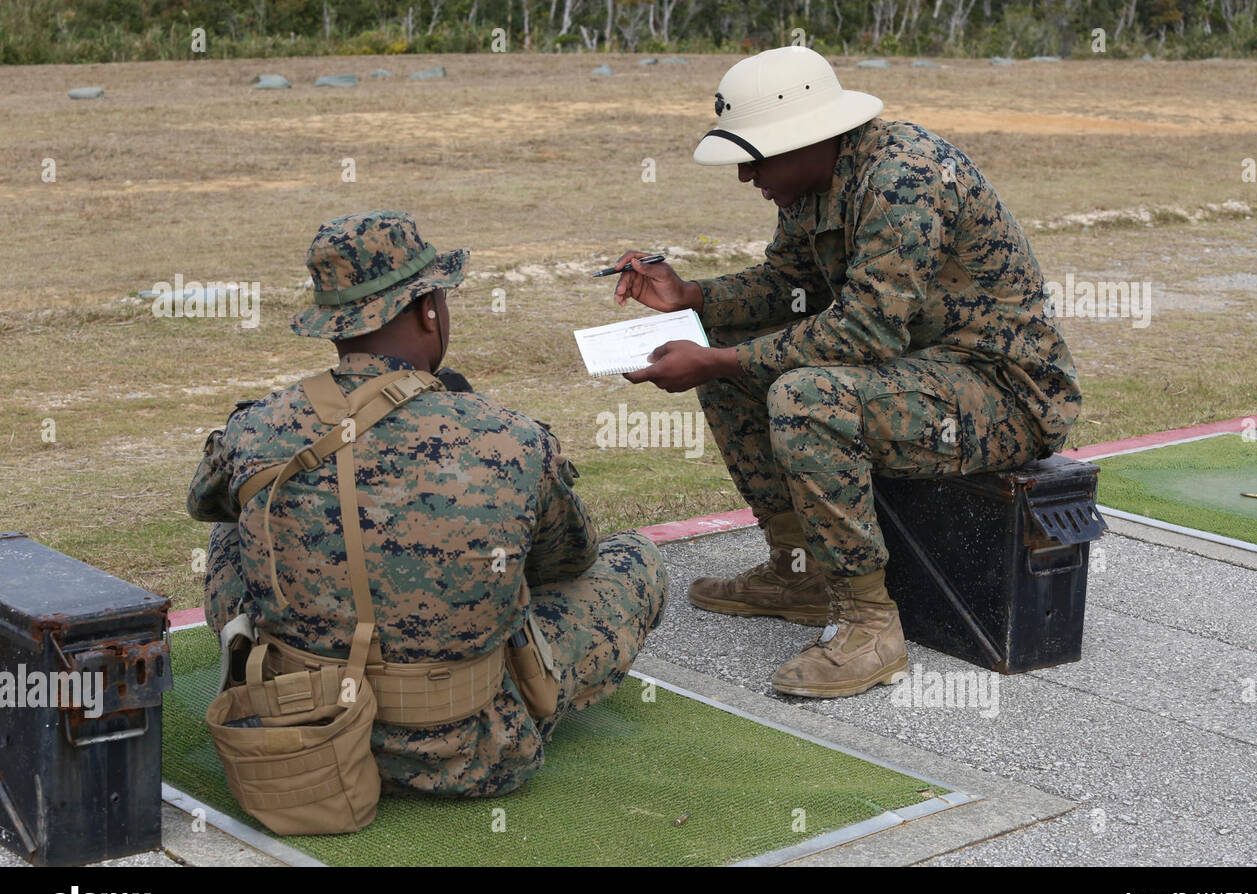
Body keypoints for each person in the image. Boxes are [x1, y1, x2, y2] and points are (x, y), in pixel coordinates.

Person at [614, 46, 1081, 699]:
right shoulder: (816, 178)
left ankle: (869, 625)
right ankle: (799, 570)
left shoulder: (905, 179)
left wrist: (717, 362)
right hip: (926, 370)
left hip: (1005, 392)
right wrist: (693, 297)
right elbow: (789, 284)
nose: (746, 175)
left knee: (806, 397)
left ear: (809, 138)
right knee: (726, 339)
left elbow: (865, 330)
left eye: (756, 156)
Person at [188, 210, 667, 796]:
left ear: (333, 322)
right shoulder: (509, 438)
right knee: (635, 558)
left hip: (297, 731)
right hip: (469, 752)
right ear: (428, 309)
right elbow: (566, 561)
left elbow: (204, 502)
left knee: (231, 532)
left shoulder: (259, 425)